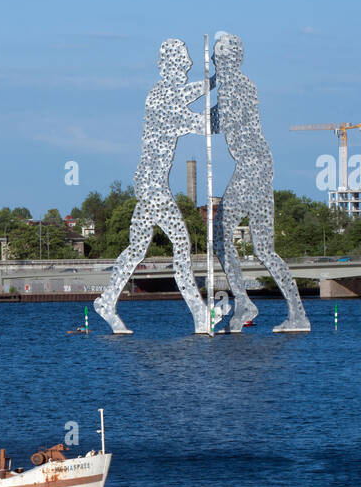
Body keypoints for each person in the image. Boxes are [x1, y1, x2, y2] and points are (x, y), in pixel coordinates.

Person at [94, 39, 209, 335]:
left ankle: (107, 301)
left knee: (137, 249)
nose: (189, 64)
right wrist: (225, 113)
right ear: (168, 65)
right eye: (183, 60)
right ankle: (200, 314)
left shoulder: (166, 93)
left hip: (147, 182)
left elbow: (189, 93)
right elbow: (196, 122)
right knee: (181, 245)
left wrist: (214, 82)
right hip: (153, 185)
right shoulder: (160, 97)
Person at [209, 33, 310, 333]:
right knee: (263, 249)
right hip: (259, 167)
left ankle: (244, 301)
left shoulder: (237, 87)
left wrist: (186, 120)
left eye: (222, 59)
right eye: (216, 59)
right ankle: (297, 314)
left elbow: (219, 122)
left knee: (219, 236)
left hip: (252, 168)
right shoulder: (237, 84)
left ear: (234, 59)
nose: (218, 63)